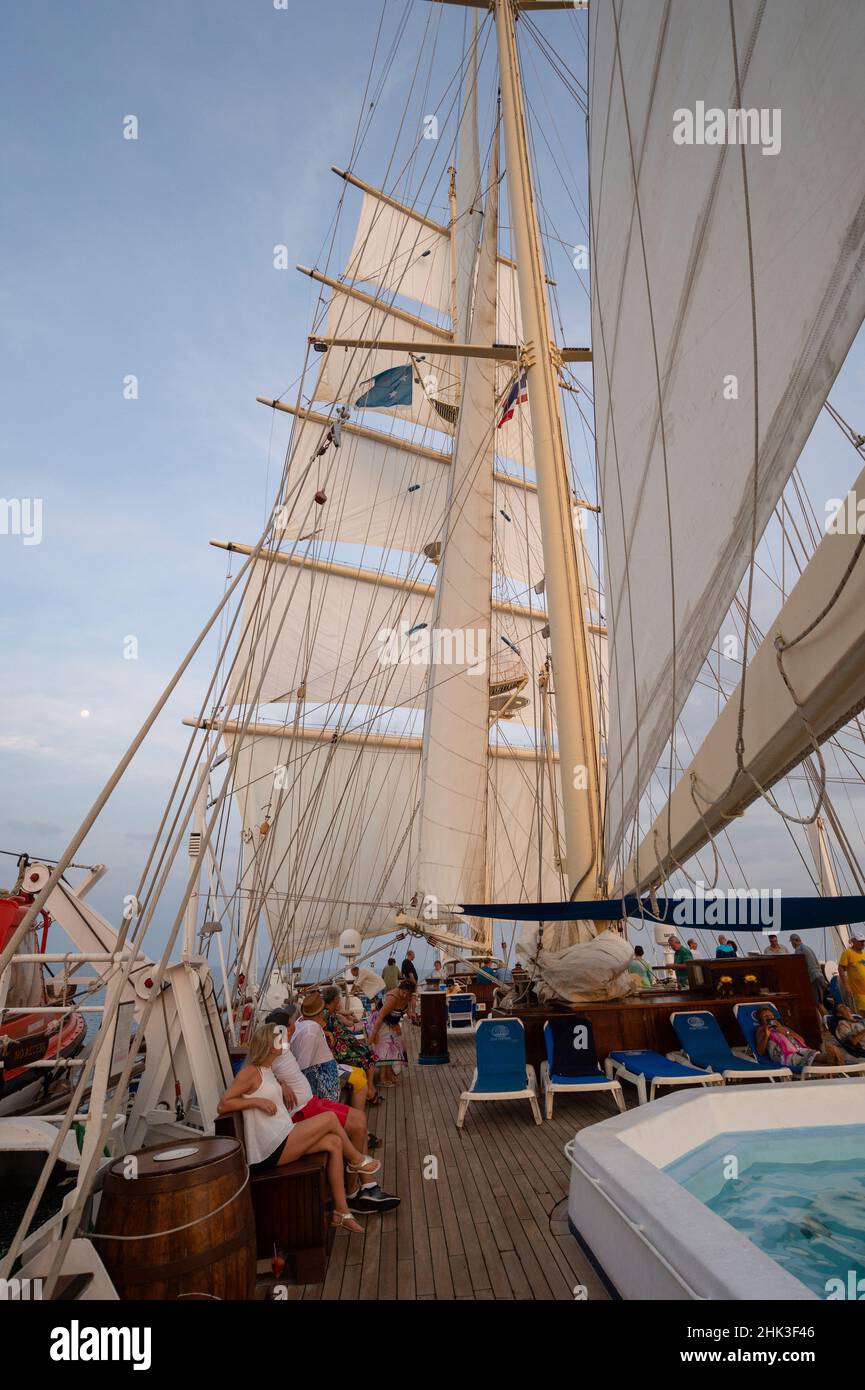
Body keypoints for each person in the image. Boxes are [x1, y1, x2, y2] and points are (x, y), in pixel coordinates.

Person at [217, 1023, 380, 1234]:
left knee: (334, 1142)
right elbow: (223, 1104)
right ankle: (357, 1160)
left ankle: (342, 1213)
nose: (284, 1041)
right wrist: (255, 1103)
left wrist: (281, 1084)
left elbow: (267, 1083)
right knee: (330, 1118)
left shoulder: (267, 1069)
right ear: (269, 1044)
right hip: (269, 1149)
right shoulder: (249, 1072)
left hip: (282, 1135)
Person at [265, 1007, 399, 1213]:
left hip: (312, 1102)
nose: (294, 1031)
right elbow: (257, 1069)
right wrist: (279, 1082)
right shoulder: (271, 1051)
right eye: (291, 1027)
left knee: (359, 1119)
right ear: (283, 1029)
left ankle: (366, 1188)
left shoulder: (283, 1046)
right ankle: (357, 1191)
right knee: (357, 1122)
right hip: (303, 1110)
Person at [320, 984, 380, 1107]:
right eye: (339, 998)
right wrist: (328, 1033)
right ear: (335, 999)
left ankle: (370, 1088)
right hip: (339, 1048)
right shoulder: (324, 1013)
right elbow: (318, 1028)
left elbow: (346, 1019)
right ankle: (369, 1091)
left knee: (367, 1052)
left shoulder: (331, 1010)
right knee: (365, 1054)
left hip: (344, 1043)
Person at [753, 1007, 845, 1073]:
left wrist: (786, 1033)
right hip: (785, 1056)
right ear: (761, 1020)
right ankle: (835, 1064)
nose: (769, 1018)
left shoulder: (783, 1028)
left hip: (799, 1050)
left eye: (770, 1015)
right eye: (765, 1017)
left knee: (813, 1055)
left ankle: (833, 1060)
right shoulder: (761, 1030)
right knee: (809, 1061)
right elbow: (760, 1051)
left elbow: (802, 1040)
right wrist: (766, 1035)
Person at [291, 992, 341, 1101]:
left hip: (322, 1068)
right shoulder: (311, 1031)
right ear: (320, 1012)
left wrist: (325, 1032)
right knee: (359, 1082)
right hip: (321, 1076)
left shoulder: (300, 1021)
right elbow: (304, 1066)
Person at [368, 979, 415, 1083]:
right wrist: (373, 1035)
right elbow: (380, 1016)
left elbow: (406, 1008)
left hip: (391, 1023)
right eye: (403, 992)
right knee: (386, 1048)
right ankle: (382, 1077)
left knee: (395, 1047)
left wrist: (410, 1013)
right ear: (399, 989)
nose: (404, 995)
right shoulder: (392, 999)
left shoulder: (408, 997)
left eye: (407, 994)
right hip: (379, 1022)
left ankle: (389, 1074)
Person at [789, 933, 825, 1005]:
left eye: (791, 942)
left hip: (814, 978)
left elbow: (799, 968)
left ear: (794, 941)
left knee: (818, 1004)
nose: (791, 945)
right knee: (821, 1003)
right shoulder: (807, 948)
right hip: (820, 976)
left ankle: (825, 1016)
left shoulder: (798, 950)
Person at [838, 932, 865, 1012]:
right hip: (857, 993)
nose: (862, 943)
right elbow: (841, 968)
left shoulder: (863, 954)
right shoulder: (848, 952)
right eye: (860, 941)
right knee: (861, 1015)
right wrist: (846, 985)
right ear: (853, 941)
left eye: (863, 941)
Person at [400, 950, 419, 1022]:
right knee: (413, 997)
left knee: (409, 998)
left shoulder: (404, 962)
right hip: (411, 983)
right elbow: (410, 974)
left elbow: (402, 974)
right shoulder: (408, 962)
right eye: (413, 955)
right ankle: (413, 1012)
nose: (414, 956)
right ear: (410, 955)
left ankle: (409, 1012)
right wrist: (415, 983)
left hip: (407, 982)